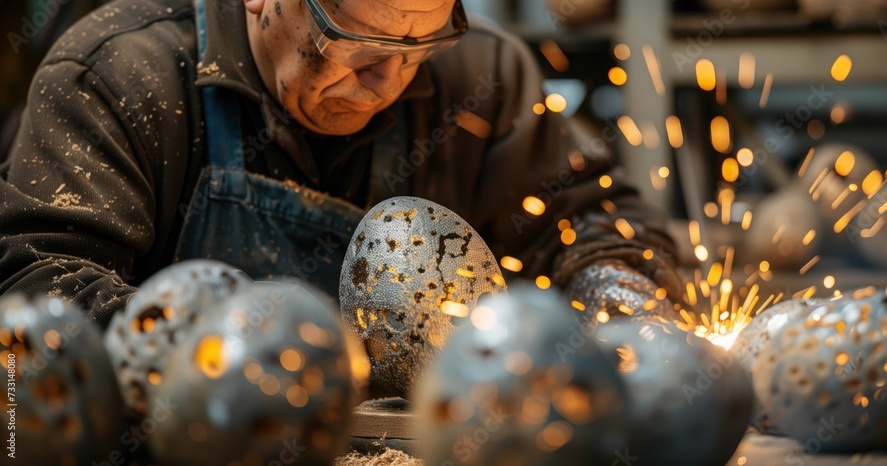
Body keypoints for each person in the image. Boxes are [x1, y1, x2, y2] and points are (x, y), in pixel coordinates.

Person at [0, 0, 682, 330]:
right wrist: (210, 346)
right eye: (358, 43)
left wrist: (616, 284)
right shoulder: (119, 76)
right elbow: (36, 286)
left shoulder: (483, 79)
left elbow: (596, 219)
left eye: (419, 46)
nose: (390, 80)